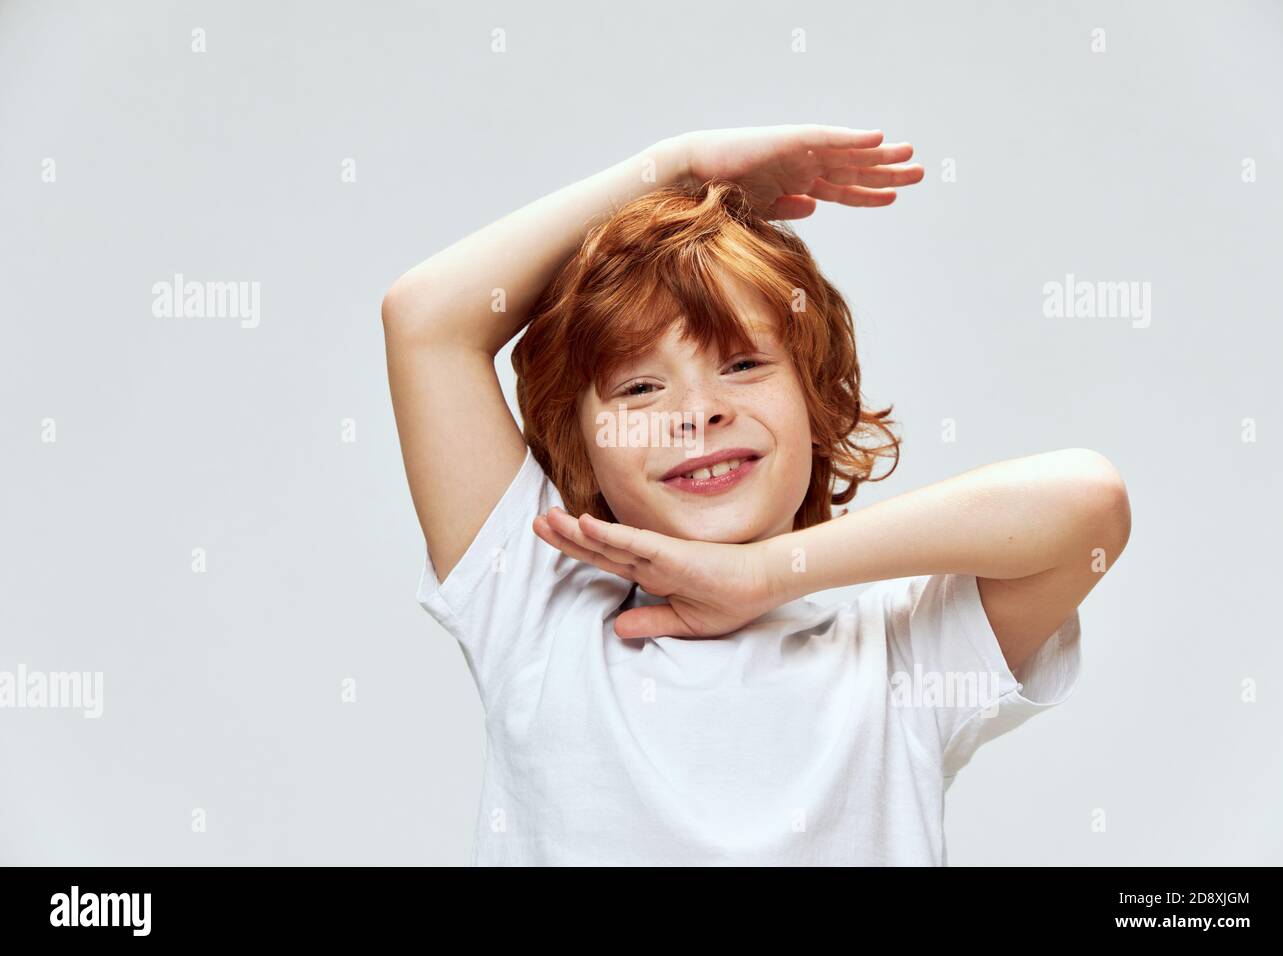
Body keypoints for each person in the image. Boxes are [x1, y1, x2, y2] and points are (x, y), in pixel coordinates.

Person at [381, 125, 1131, 865]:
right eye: (641, 386)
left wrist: (762, 577)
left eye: (741, 365)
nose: (698, 411)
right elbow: (425, 320)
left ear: (817, 407)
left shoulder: (900, 655)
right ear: (581, 450)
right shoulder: (537, 606)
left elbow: (1086, 503)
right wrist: (675, 166)